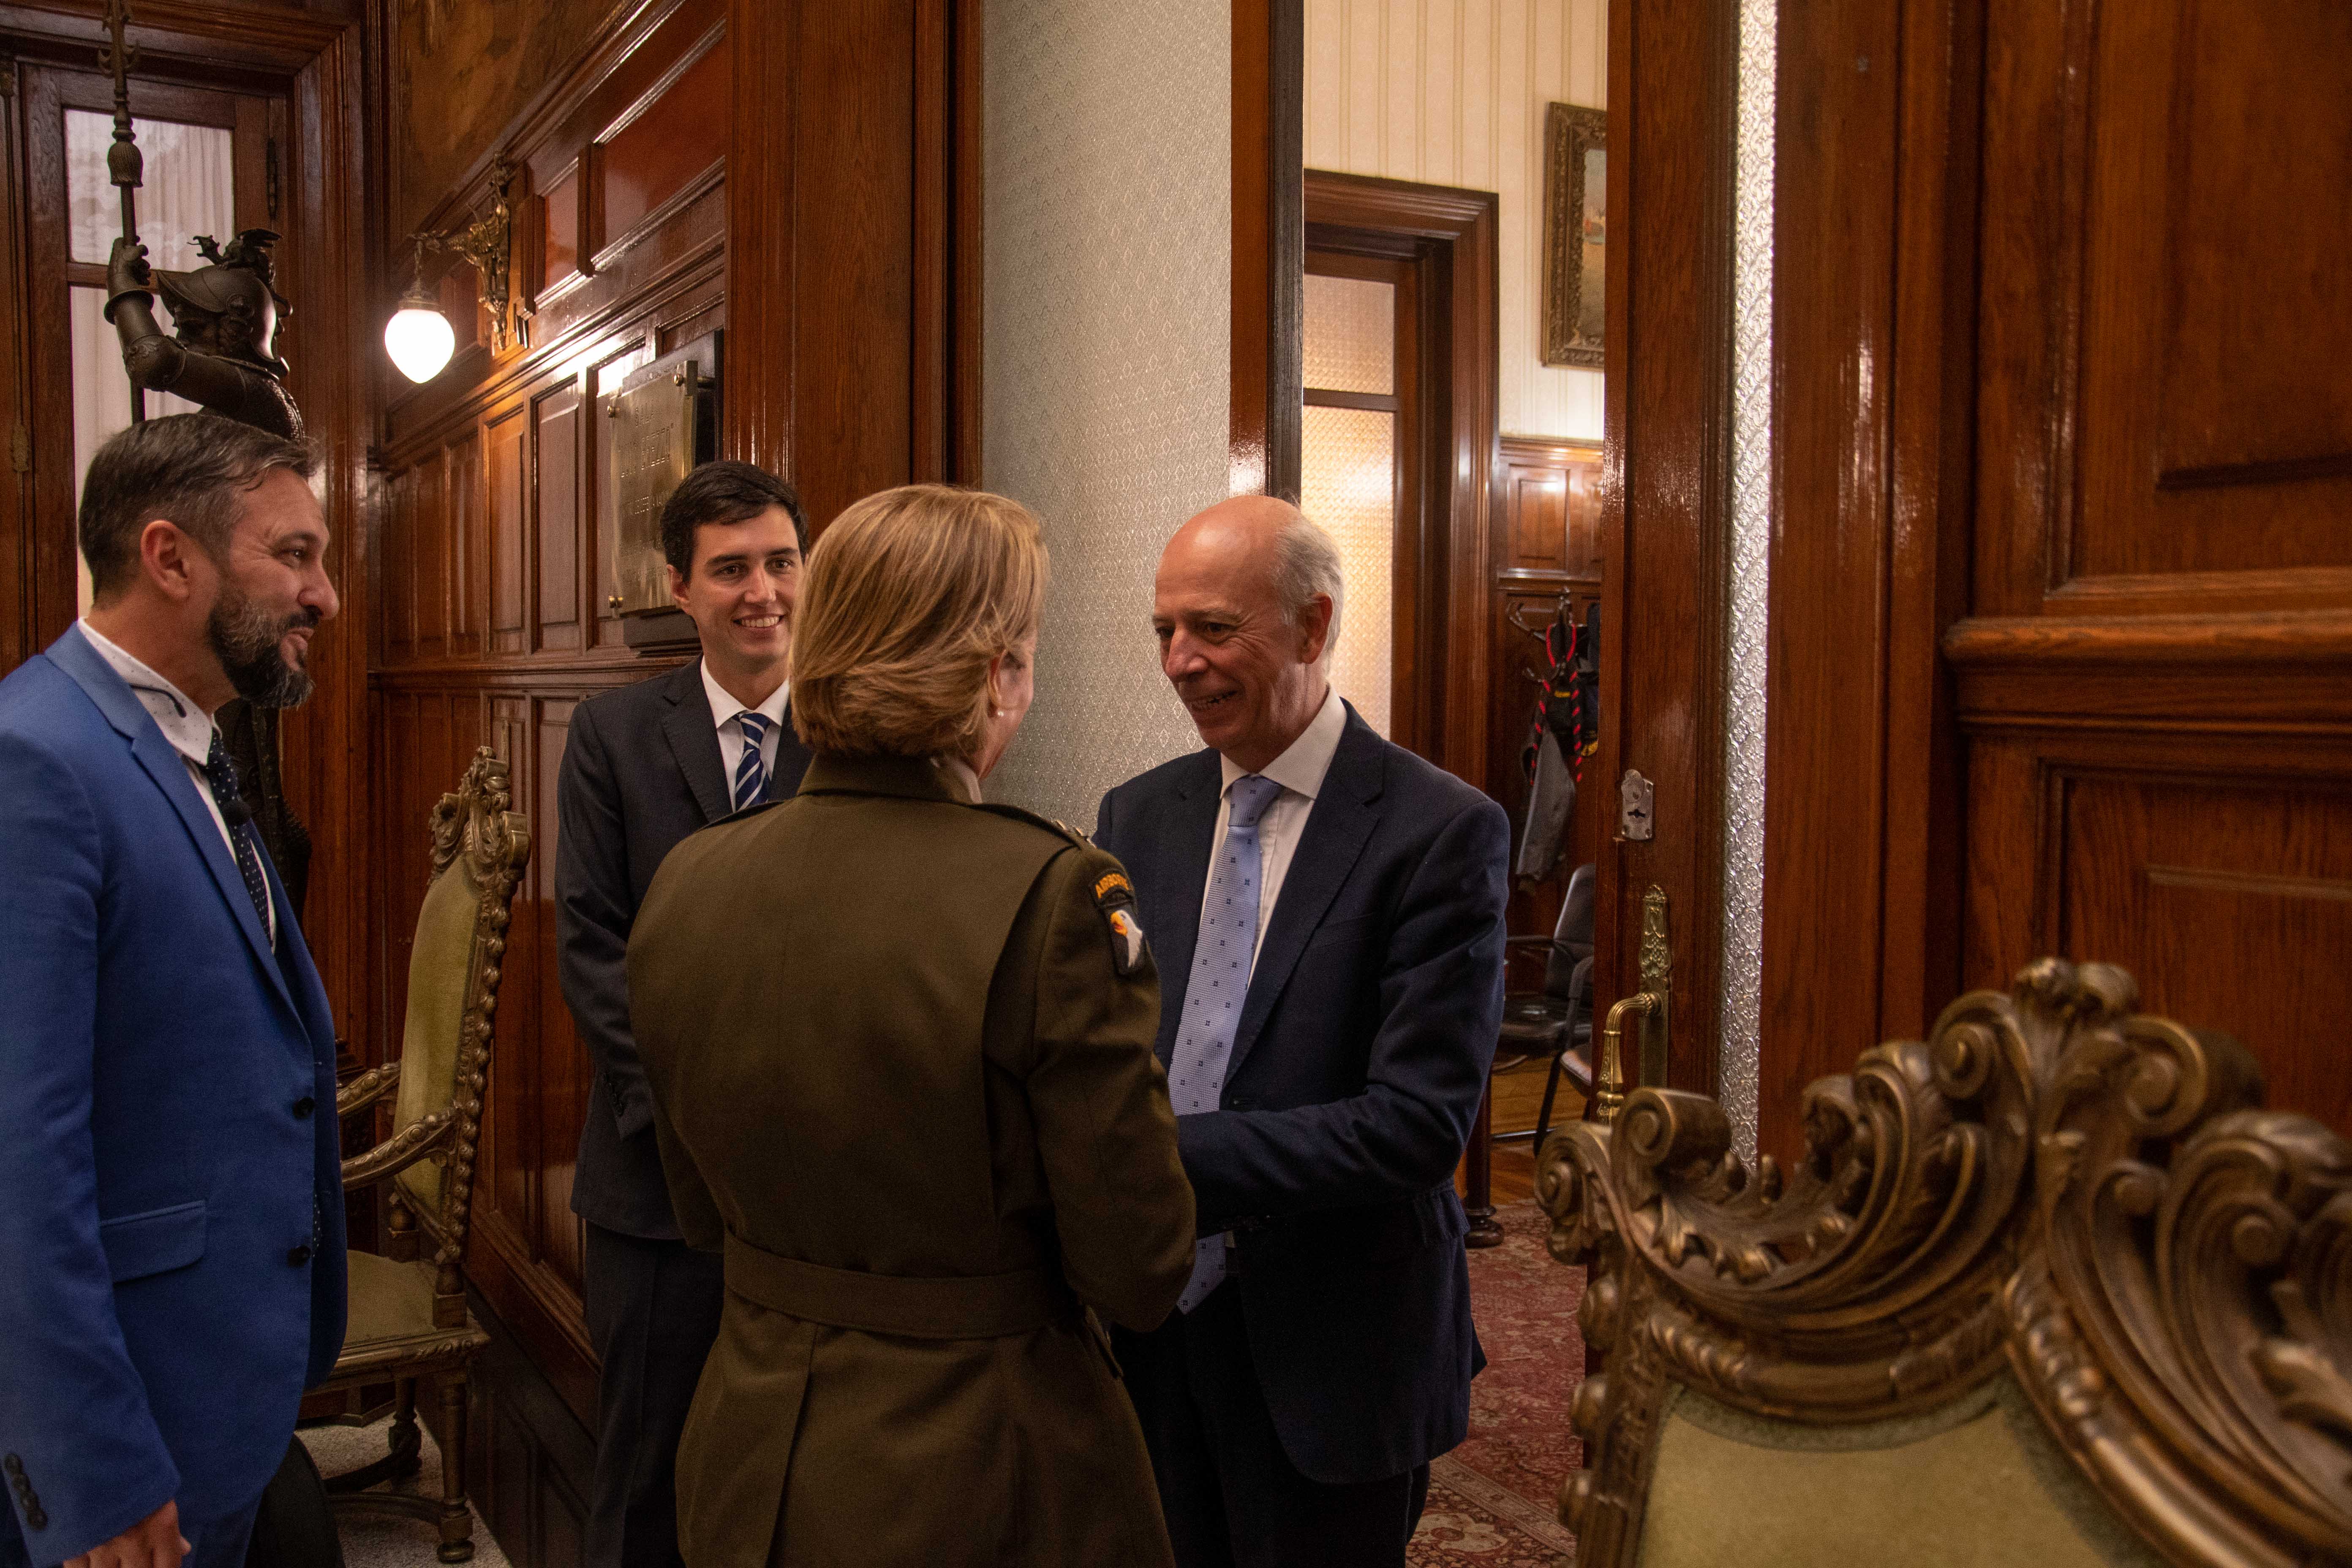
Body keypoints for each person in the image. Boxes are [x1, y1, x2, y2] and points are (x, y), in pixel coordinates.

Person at [624, 483, 1197, 1567]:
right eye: (1024, 650)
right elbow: (1139, 1265)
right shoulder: (1056, 895)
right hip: (981, 1465)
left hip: (745, 1448)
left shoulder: (690, 877)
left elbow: (701, 1209)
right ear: (995, 676)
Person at [1094, 495, 1511, 1568]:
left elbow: (1417, 1127)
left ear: (1315, 627)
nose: (1181, 662)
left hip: (1336, 1352)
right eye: (1165, 631)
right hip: (1152, 1333)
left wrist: (1154, 1154)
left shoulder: (1441, 830)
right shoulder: (1138, 816)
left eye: (1215, 629)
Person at [0, 414, 346, 1568]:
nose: (326, 595)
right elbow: (19, 1158)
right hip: (128, 1431)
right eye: (292, 555)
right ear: (169, 556)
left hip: (217, 1386)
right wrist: (86, 1466)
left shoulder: (186, 741)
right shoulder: (39, 760)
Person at [555, 460, 815, 1568]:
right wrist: (702, 1130)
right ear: (680, 587)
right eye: (731, 570)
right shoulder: (614, 736)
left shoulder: (865, 723)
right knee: (648, 1474)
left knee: (798, 1481)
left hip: (819, 1189)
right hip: (654, 1191)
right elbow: (593, 952)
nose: (762, 591)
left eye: (781, 563)